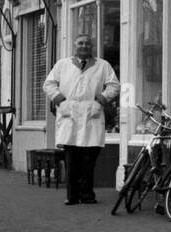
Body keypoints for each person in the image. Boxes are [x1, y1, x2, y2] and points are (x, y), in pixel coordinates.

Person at [42, 35, 120, 206]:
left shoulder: (102, 65)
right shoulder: (63, 64)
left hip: (91, 114)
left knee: (89, 160)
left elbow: (114, 85)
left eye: (87, 44)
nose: (84, 46)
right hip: (69, 115)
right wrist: (60, 100)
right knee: (72, 160)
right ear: (74, 45)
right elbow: (48, 84)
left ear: (92, 47)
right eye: (80, 43)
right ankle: (72, 196)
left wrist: (101, 99)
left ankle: (88, 195)